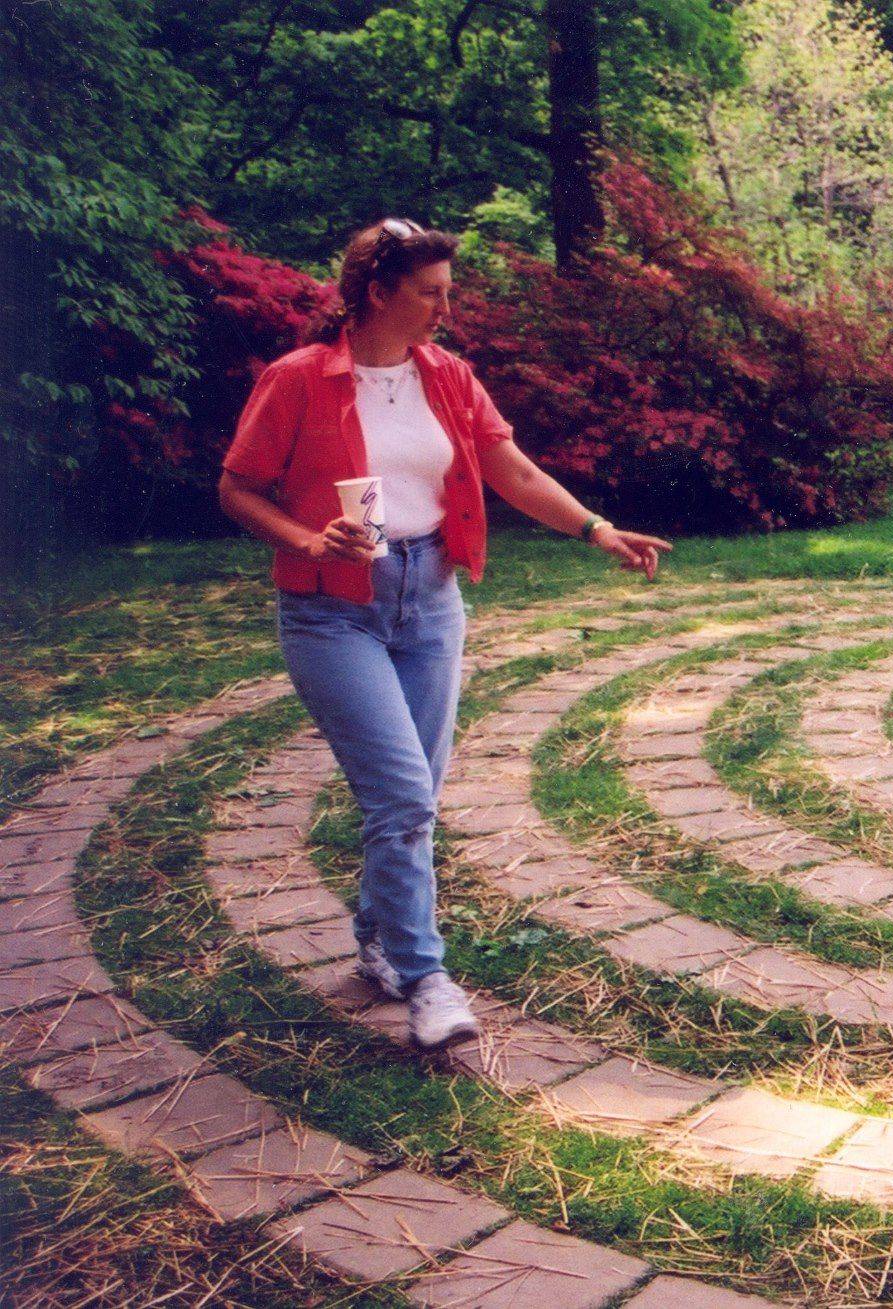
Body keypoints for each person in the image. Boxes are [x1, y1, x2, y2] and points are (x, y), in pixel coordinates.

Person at [217, 217, 672, 1048]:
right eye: (429, 293)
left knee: (414, 799)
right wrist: (308, 539)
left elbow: (514, 470)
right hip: (331, 607)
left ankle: (379, 944)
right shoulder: (298, 379)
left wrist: (596, 527)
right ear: (378, 291)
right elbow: (239, 488)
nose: (443, 309)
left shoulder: (449, 377)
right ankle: (427, 978)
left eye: (448, 293)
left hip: (429, 598)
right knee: (400, 794)